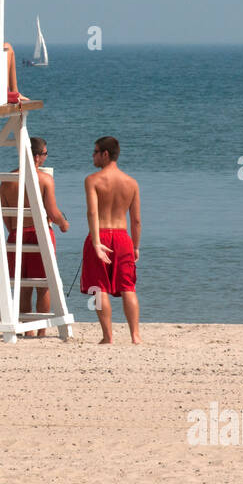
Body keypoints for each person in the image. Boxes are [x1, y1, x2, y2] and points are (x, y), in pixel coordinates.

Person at [0, 136, 70, 336]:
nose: (46, 157)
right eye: (45, 154)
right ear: (37, 156)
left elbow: (5, 215)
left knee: (23, 285)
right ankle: (39, 330)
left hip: (16, 234)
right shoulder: (45, 179)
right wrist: (64, 224)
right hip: (39, 235)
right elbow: (53, 213)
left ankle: (26, 329)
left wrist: (13, 230)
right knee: (43, 285)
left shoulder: (7, 180)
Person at [81, 136, 142, 344]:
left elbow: (92, 213)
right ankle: (135, 336)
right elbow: (136, 220)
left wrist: (96, 243)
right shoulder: (131, 183)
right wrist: (135, 246)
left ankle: (108, 337)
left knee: (99, 288)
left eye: (95, 151)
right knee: (128, 287)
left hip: (101, 234)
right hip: (123, 237)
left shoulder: (93, 180)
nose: (92, 155)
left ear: (105, 154)